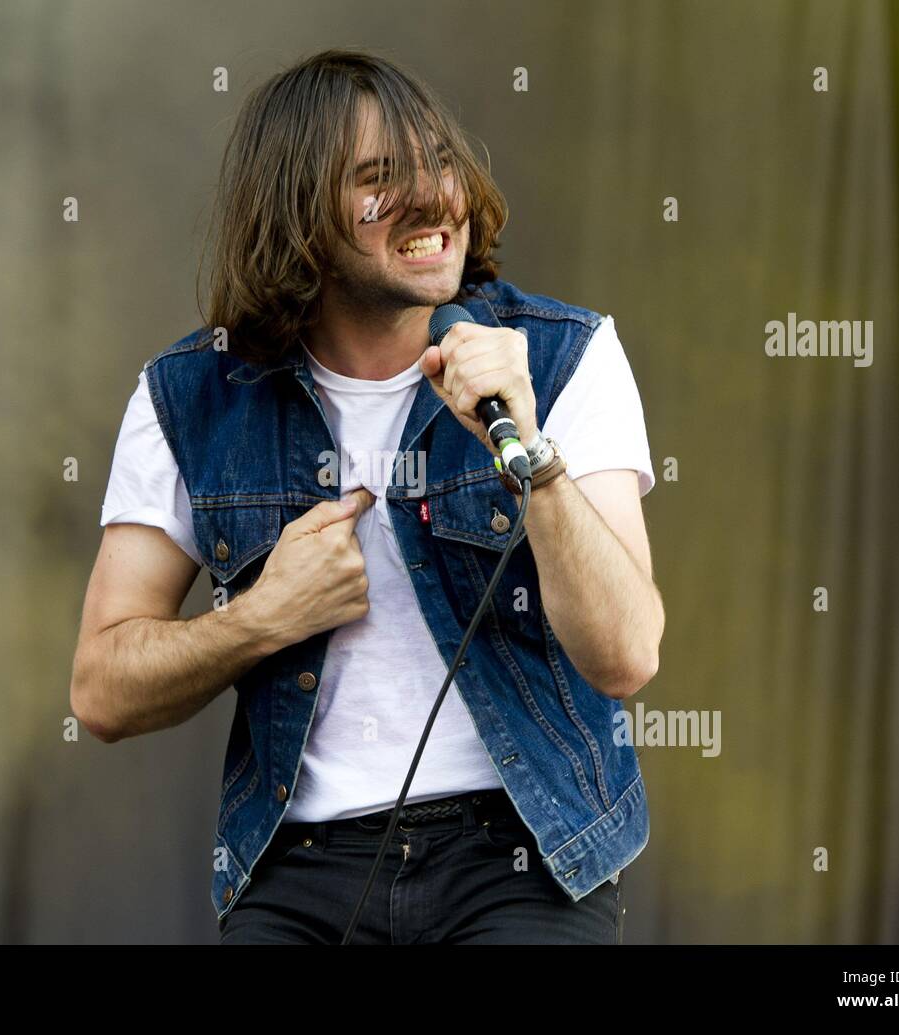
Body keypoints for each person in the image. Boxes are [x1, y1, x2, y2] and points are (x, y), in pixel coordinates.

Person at [70, 48, 665, 944]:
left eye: (441, 167)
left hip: (523, 856)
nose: (434, 199)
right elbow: (101, 692)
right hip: (299, 866)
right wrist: (264, 616)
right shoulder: (191, 397)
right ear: (298, 216)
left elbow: (627, 655)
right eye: (382, 179)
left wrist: (533, 453)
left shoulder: (564, 357)